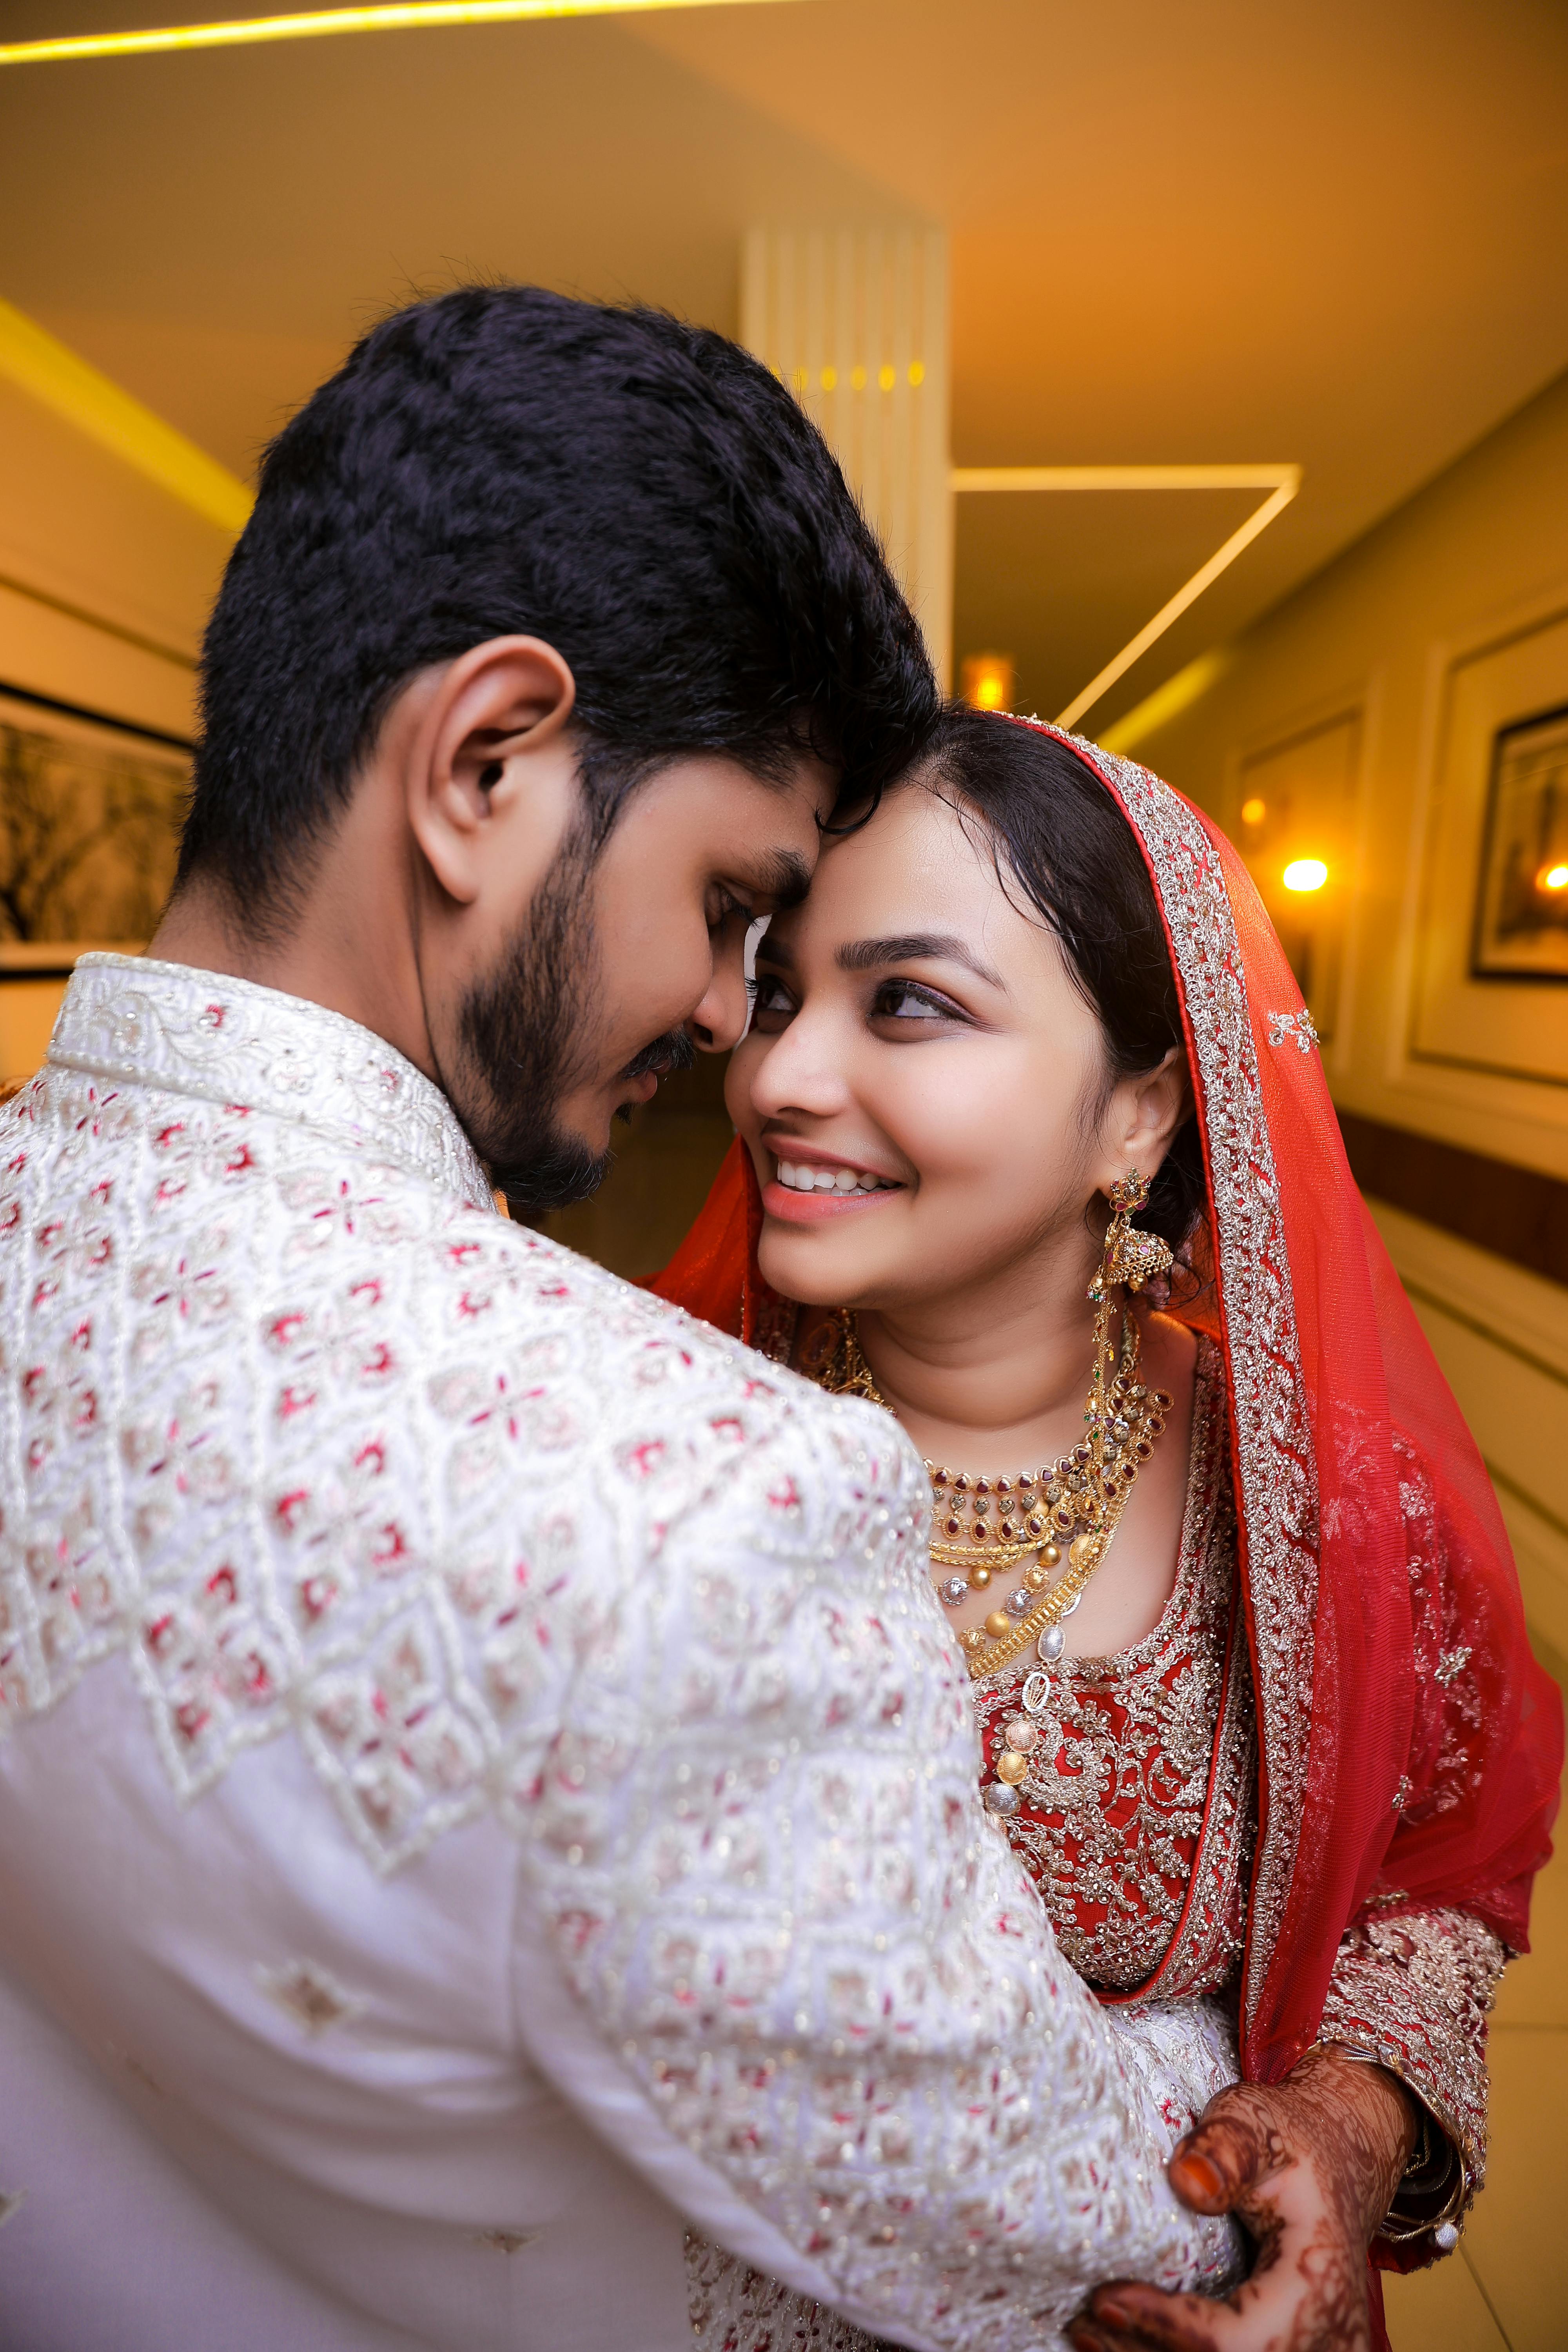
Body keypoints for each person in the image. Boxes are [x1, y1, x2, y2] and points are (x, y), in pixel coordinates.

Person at [0, 287, 1252, 2352]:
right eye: (740, 911)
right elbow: (1065, 2209)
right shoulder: (699, 1508)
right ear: (486, 763)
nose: (728, 1028)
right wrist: (1244, 2092)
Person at [650, 704, 1564, 2352]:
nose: (780, 1077)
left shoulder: (1327, 1513)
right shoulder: (642, 1435)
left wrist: (1352, 2125)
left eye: (909, 1004)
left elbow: (1434, 1880)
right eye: (776, 993)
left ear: (1140, 1115)